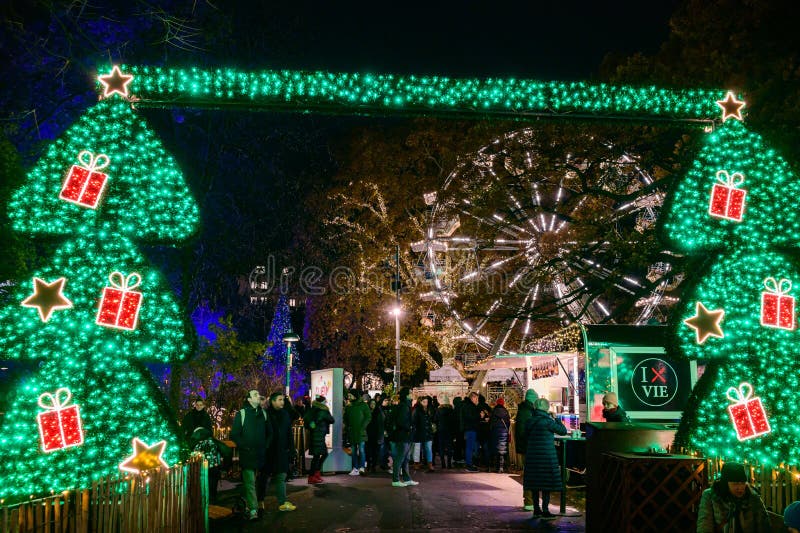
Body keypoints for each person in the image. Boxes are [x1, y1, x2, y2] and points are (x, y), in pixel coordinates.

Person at [230, 390, 272, 521]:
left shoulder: (263, 414)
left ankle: (248, 503)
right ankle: (253, 509)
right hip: (247, 454)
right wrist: (245, 446)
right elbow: (234, 434)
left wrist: (265, 445)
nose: (258, 396)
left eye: (258, 394)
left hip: (260, 454)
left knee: (259, 481)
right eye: (255, 395)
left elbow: (270, 433)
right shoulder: (241, 414)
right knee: (250, 482)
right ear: (249, 400)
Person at [523, 397, 567, 520]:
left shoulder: (529, 421)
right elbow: (563, 431)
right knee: (546, 484)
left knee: (535, 483)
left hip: (533, 456)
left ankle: (537, 510)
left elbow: (525, 436)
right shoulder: (548, 422)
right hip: (546, 456)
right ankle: (546, 510)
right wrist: (556, 418)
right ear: (546, 408)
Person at [697, 462, 770, 533]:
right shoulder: (710, 496)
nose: (740, 488)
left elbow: (763, 525)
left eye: (743, 483)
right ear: (725, 483)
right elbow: (704, 524)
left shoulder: (753, 497)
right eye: (735, 484)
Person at [266, 392, 300, 512]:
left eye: (283, 400)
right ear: (272, 401)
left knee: (281, 476)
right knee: (264, 478)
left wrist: (291, 448)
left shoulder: (285, 414)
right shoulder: (266, 414)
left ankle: (282, 502)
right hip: (268, 451)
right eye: (279, 400)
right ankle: (258, 503)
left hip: (281, 451)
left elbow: (289, 433)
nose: (282, 402)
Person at [387, 388, 418, 487]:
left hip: (403, 435)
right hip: (403, 435)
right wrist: (409, 427)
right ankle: (396, 480)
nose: (411, 395)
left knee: (405, 458)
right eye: (410, 393)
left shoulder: (404, 405)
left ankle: (407, 478)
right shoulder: (404, 407)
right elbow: (401, 421)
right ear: (406, 395)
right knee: (401, 458)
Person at [303, 395, 334, 484]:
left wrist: (312, 426)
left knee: (319, 455)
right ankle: (313, 475)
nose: (326, 403)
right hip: (319, 435)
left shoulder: (313, 409)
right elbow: (332, 420)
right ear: (322, 402)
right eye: (325, 401)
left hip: (315, 435)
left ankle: (315, 474)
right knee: (320, 456)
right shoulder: (323, 410)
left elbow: (306, 419)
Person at [515, 389, 537, 510]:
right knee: (530, 474)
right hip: (527, 447)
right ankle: (529, 502)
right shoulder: (527, 412)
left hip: (525, 446)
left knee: (529, 473)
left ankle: (530, 501)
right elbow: (525, 432)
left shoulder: (525, 410)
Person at [189, 426, 222, 503]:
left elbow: (192, 454)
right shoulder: (213, 441)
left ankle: (203, 502)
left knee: (202, 486)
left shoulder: (196, 443)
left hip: (201, 468)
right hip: (214, 467)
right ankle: (212, 501)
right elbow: (223, 452)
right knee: (212, 486)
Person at [345, 391, 372, 475]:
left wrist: (362, 427)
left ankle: (362, 467)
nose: (349, 397)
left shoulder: (363, 405)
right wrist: (348, 426)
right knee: (353, 450)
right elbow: (345, 418)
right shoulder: (349, 406)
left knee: (361, 450)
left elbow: (368, 417)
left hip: (361, 432)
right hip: (352, 431)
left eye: (350, 395)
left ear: (355, 396)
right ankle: (355, 468)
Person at [412, 395, 435, 472]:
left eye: (427, 402)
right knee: (417, 448)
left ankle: (430, 464)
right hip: (419, 432)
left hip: (427, 432)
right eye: (424, 402)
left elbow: (430, 420)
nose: (426, 403)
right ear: (420, 402)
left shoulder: (428, 410)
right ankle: (416, 463)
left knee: (428, 449)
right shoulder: (417, 410)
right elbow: (414, 422)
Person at [489, 397, 511, 473]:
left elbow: (491, 423)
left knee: (496, 449)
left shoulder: (494, 411)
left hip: (495, 432)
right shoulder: (506, 411)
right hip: (504, 432)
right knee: (502, 449)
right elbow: (508, 423)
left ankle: (496, 466)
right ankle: (502, 467)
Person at [460, 392, 480, 472]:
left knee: (470, 447)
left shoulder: (468, 405)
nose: (477, 400)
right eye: (476, 398)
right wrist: (479, 416)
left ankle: (470, 463)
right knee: (470, 447)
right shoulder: (470, 406)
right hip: (470, 429)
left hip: (470, 429)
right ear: (472, 398)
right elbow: (470, 417)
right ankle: (469, 465)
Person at [436, 395, 456, 469]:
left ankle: (443, 463)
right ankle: (449, 464)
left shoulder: (438, 410)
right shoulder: (451, 410)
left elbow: (435, 420)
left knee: (441, 446)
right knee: (449, 447)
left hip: (441, 430)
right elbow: (454, 421)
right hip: (449, 431)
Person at [366, 397, 385, 473]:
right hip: (368, 433)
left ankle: (373, 466)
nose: (372, 405)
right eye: (371, 404)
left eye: (374, 404)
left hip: (376, 433)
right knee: (368, 451)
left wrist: (381, 433)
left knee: (375, 451)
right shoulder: (367, 411)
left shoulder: (378, 412)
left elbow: (381, 423)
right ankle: (369, 465)